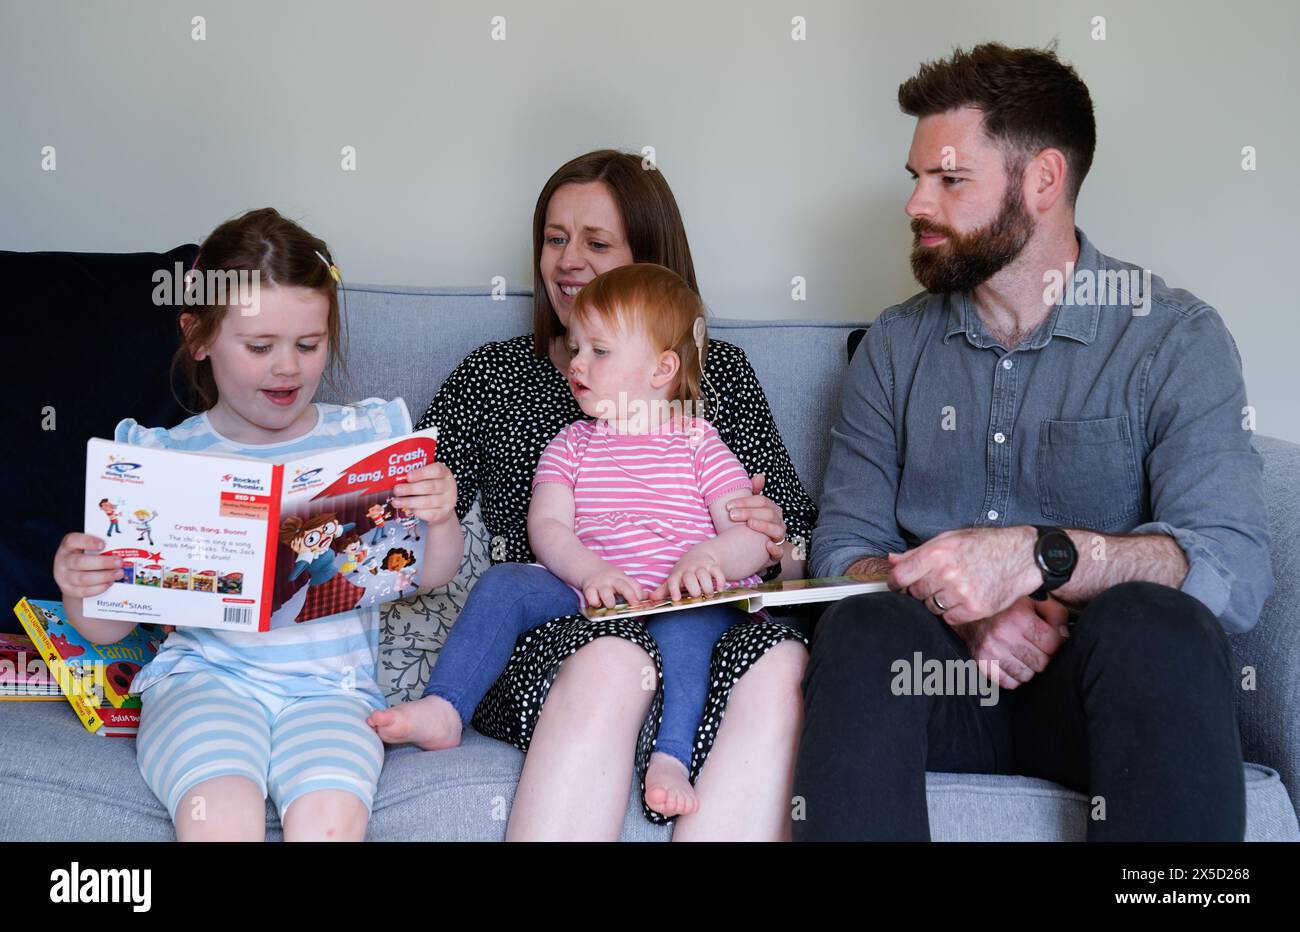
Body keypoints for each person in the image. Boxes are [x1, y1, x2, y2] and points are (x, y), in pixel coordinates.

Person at [795, 43, 1272, 841]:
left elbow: (1233, 566)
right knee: (861, 624)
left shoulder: (1173, 340)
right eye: (915, 179)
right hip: (936, 687)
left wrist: (1044, 555)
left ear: (1043, 181)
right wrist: (965, 609)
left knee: (1160, 624)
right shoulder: (894, 346)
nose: (916, 203)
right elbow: (843, 545)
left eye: (949, 180)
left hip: (1100, 697)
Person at [370, 150, 816, 838]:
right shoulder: (496, 378)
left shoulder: (715, 381)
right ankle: (449, 708)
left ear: (649, 262)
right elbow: (400, 527)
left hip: (691, 606)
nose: (568, 260)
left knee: (781, 658)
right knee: (613, 658)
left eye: (596, 243)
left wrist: (768, 541)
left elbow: (790, 549)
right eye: (555, 239)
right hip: (561, 625)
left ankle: (677, 759)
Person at [51, 208, 464, 841]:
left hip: (332, 691)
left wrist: (440, 516)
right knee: (220, 813)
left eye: (308, 345)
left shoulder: (363, 442)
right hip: (205, 681)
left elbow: (428, 576)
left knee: (331, 820)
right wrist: (82, 580)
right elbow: (107, 626)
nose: (287, 369)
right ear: (200, 337)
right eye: (259, 346)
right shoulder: (161, 458)